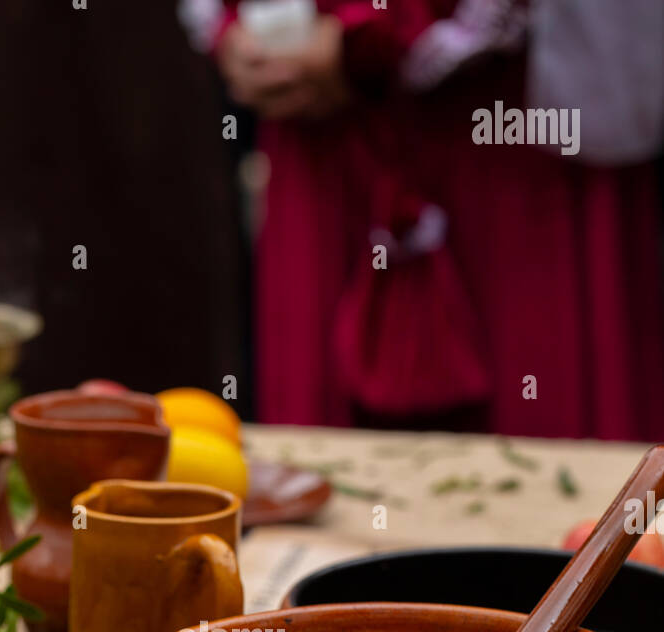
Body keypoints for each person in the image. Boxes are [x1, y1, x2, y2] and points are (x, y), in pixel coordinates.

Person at [215, 0, 664, 441]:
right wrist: (256, 31)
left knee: (542, 411)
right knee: (324, 456)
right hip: (318, 133)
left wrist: (383, 32)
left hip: (509, 128)